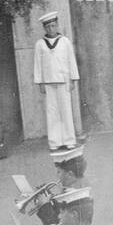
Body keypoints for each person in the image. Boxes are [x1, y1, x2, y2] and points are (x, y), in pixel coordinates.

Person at [33, 11, 80, 151]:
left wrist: (73, 79)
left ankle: (69, 141)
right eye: (48, 27)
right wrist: (40, 82)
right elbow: (37, 63)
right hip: (48, 82)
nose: (51, 29)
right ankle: (54, 142)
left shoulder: (65, 41)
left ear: (57, 25)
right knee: (52, 112)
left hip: (63, 81)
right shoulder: (40, 44)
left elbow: (71, 60)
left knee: (66, 111)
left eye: (53, 26)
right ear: (44, 28)